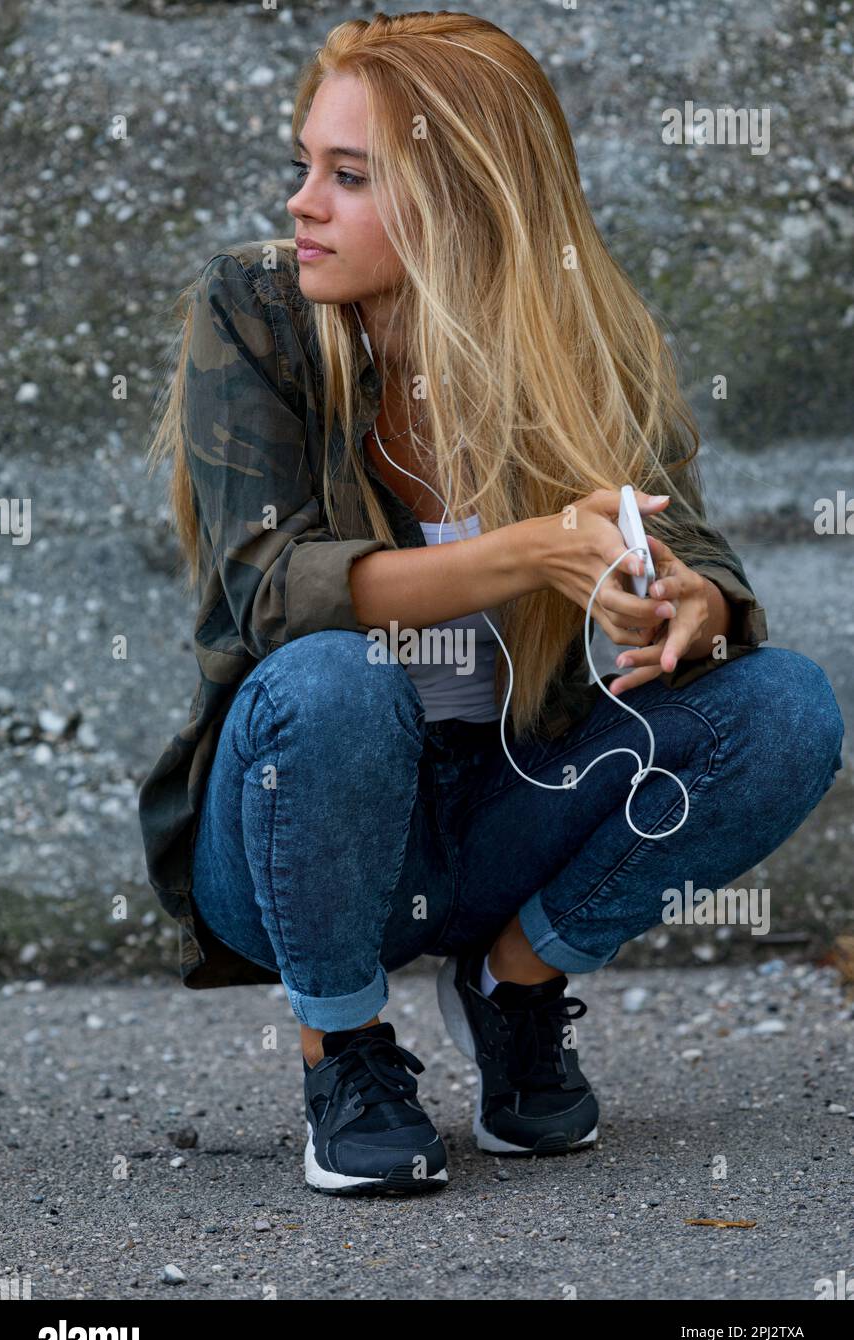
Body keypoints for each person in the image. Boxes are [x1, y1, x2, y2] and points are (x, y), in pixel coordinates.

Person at [138, 11, 844, 1198]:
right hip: (298, 834)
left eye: (348, 176)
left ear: (464, 197)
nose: (303, 203)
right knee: (330, 677)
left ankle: (514, 985)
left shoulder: (582, 335)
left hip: (514, 805)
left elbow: (698, 554)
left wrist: (681, 603)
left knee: (786, 708)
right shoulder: (256, 313)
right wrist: (524, 554)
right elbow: (271, 596)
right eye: (304, 164)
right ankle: (344, 1050)